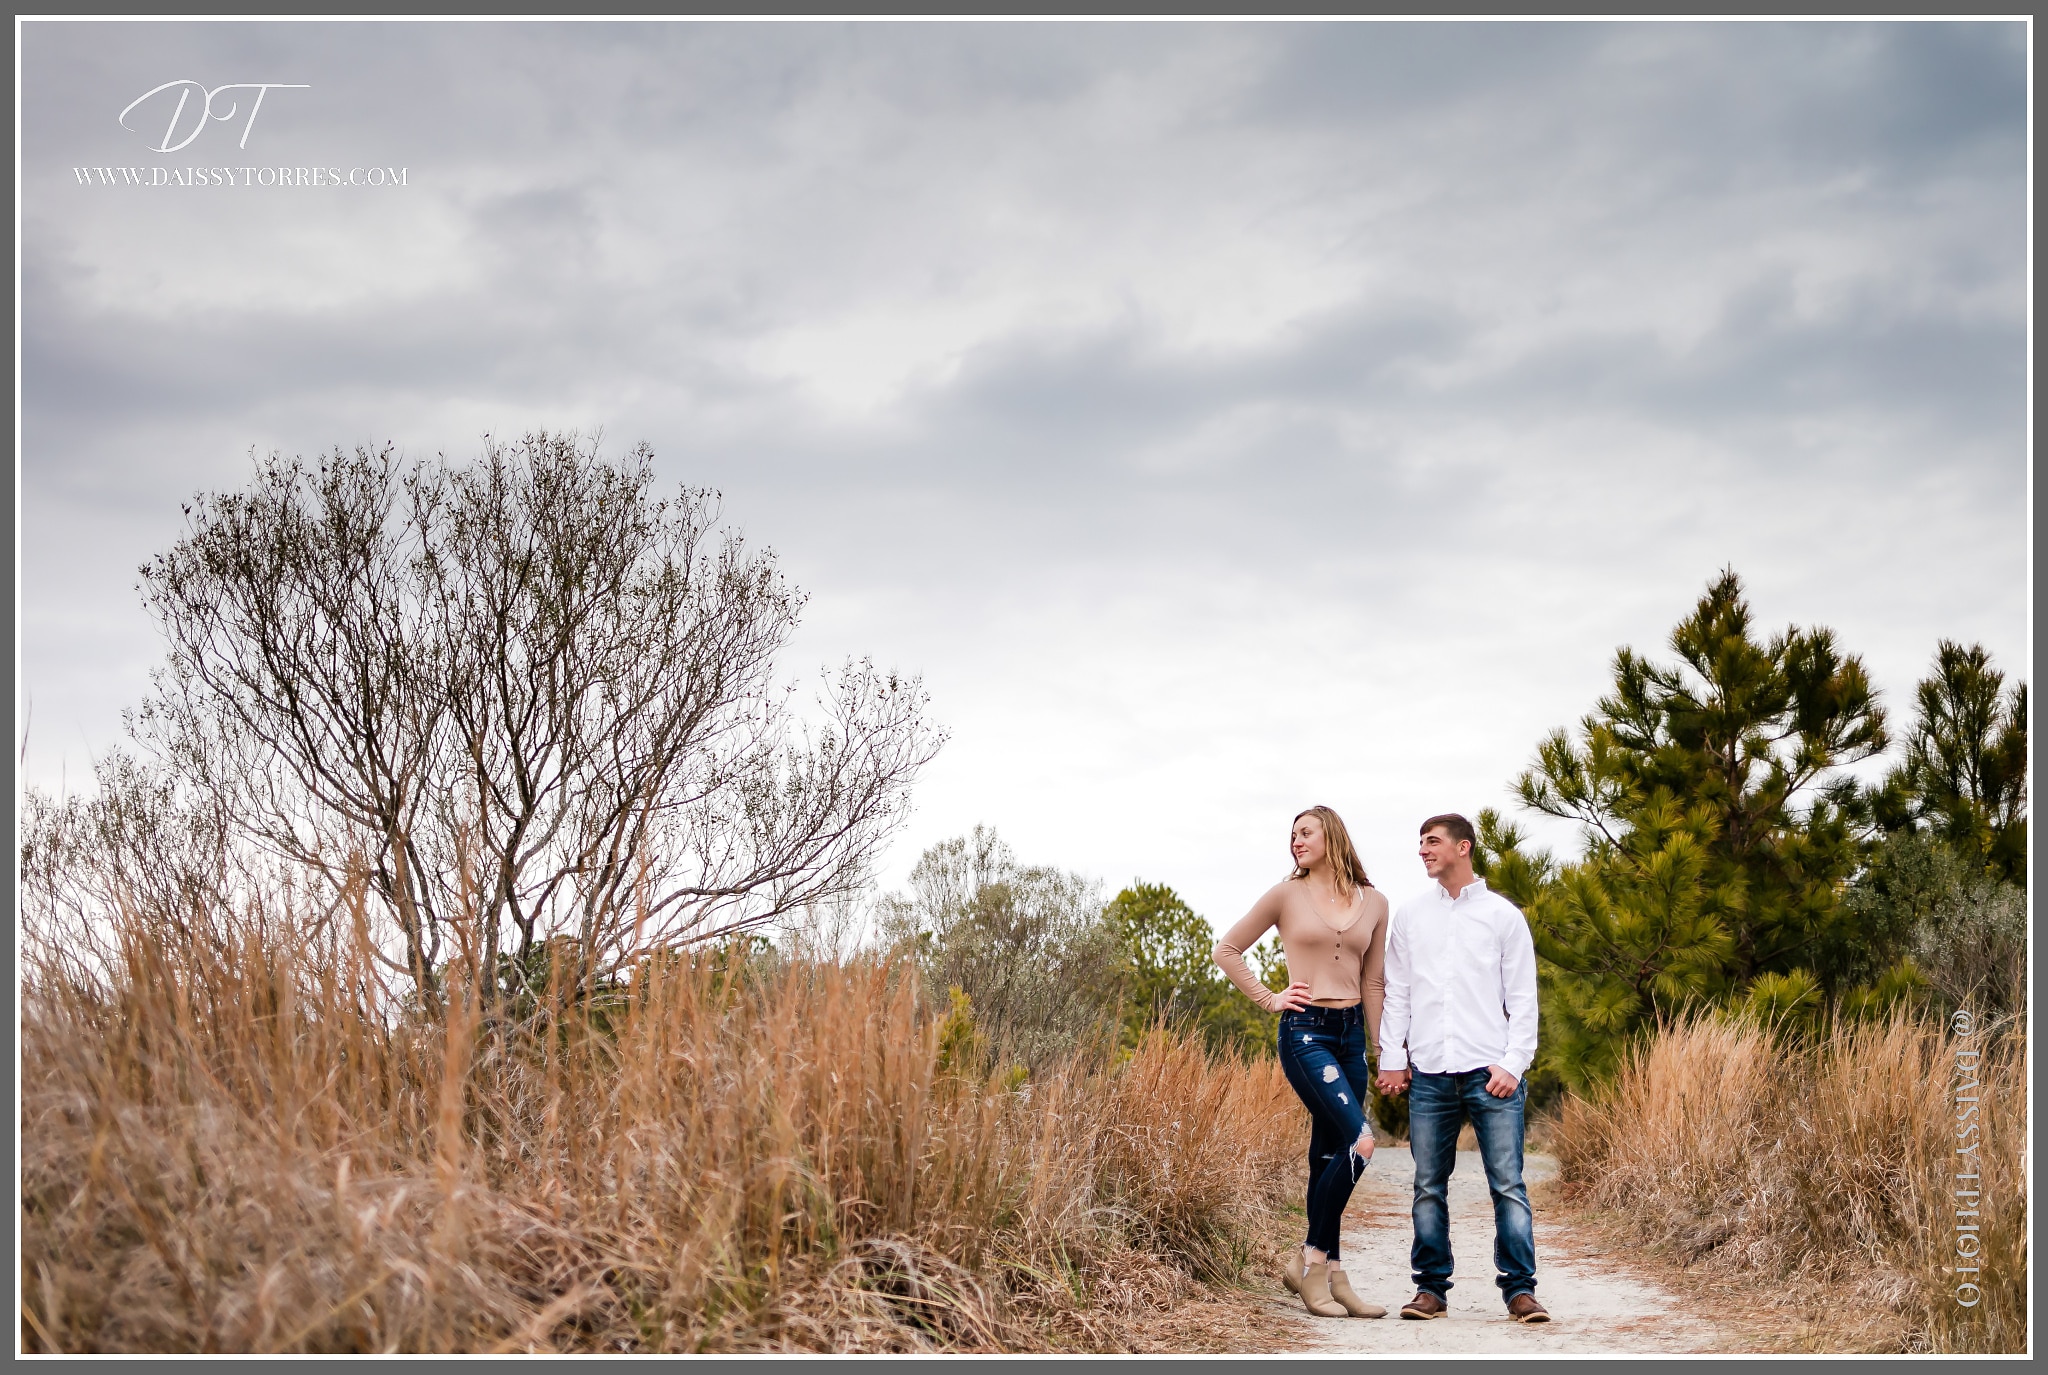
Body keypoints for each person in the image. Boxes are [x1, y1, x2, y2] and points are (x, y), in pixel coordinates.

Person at [1213, 805, 1391, 1319]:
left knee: (1327, 1157)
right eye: (1291, 835)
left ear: (1331, 835)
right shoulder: (1285, 894)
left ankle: (1334, 1274)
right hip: (1305, 1033)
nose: (1295, 841)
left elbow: (1373, 983)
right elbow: (1226, 949)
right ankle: (1311, 1261)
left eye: (1305, 832)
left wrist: (1381, 1051)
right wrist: (1269, 998)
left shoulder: (1375, 902)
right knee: (1361, 1141)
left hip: (1351, 1038)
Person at [1375, 813, 1550, 1324]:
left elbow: (1523, 998)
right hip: (1429, 1073)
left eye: (1433, 842)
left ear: (1463, 847)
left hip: (1490, 1074)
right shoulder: (1410, 916)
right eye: (1421, 843)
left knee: (1508, 1186)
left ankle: (1520, 1292)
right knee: (1428, 1186)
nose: (1423, 850)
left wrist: (1514, 1065)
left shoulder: (1502, 916)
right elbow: (1398, 991)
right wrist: (1393, 1058)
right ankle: (1430, 1291)